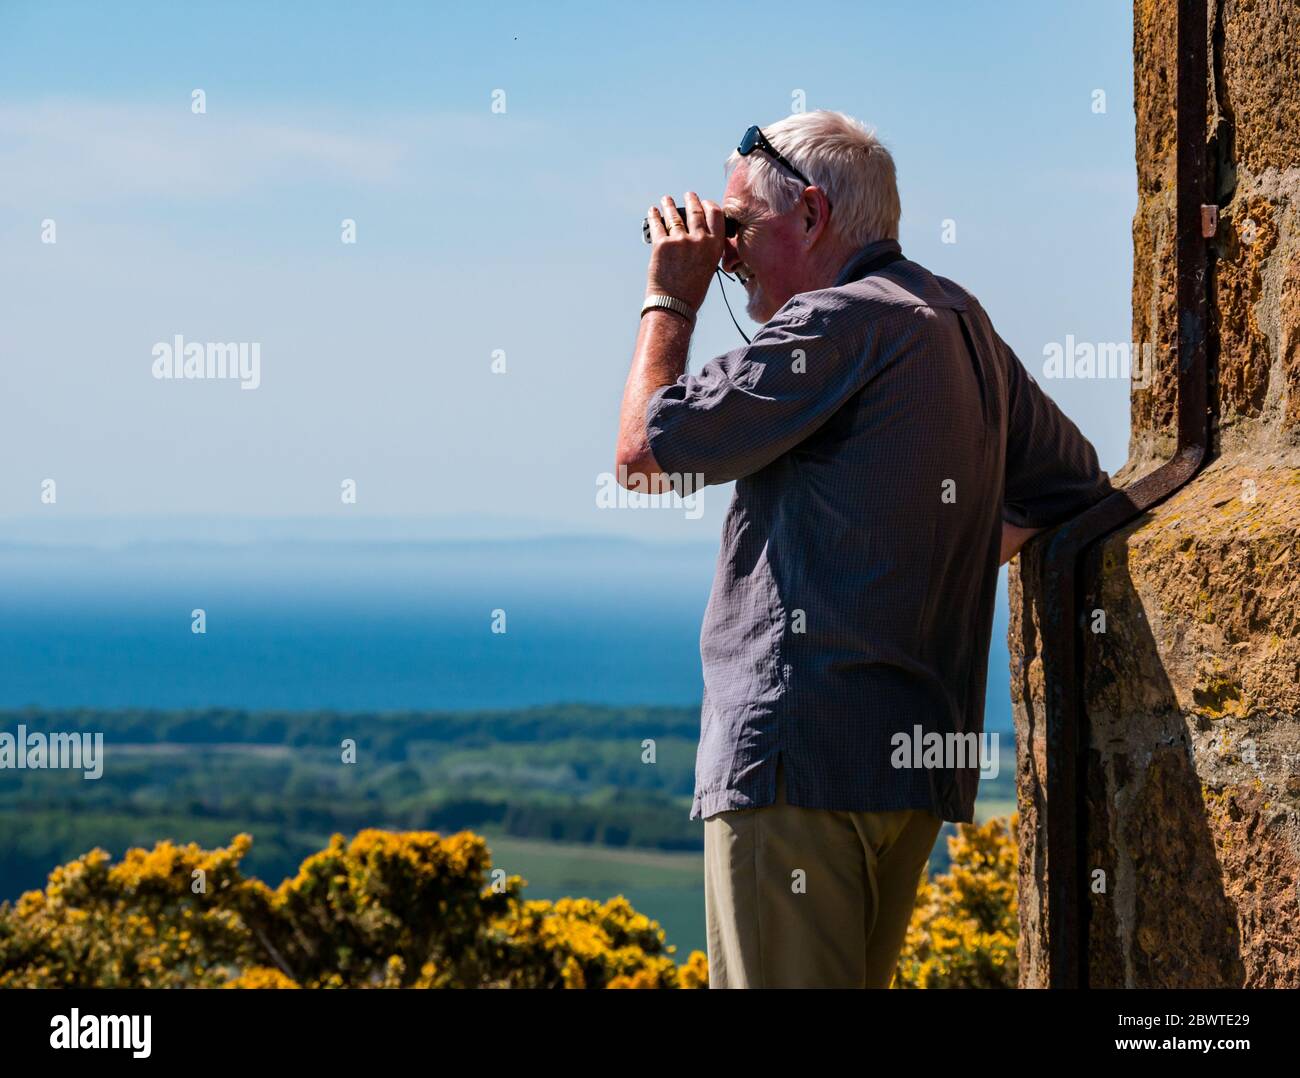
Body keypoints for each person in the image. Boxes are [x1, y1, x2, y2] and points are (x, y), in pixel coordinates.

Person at [614, 110, 1112, 988]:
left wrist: (669, 298)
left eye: (737, 226)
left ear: (810, 215)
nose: (723, 251)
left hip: (795, 766)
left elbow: (646, 457)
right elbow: (1072, 489)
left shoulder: (831, 327)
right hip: (909, 771)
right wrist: (921, 547)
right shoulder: (957, 321)